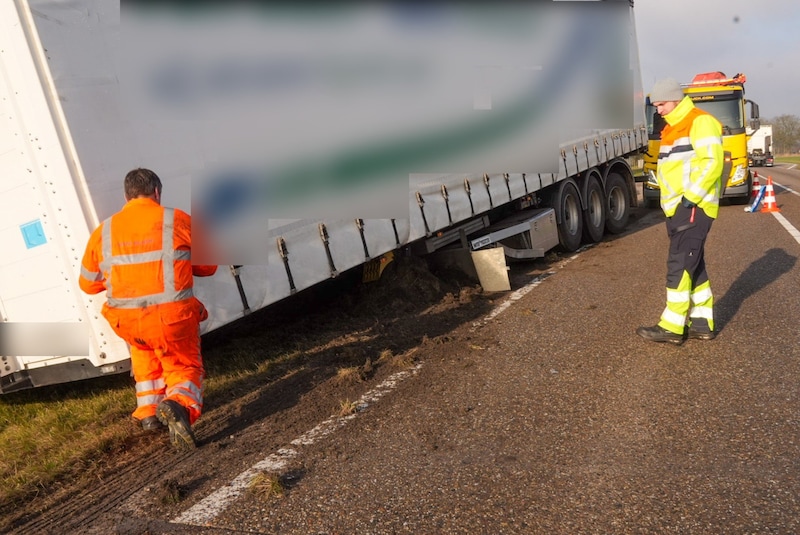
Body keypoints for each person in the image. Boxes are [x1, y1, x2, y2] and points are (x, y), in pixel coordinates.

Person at [79, 168, 217, 450]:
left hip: (127, 322)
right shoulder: (176, 219)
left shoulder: (103, 231)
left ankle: (149, 414)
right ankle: (179, 405)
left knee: (144, 352)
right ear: (156, 192)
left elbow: (88, 284)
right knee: (183, 365)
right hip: (171, 319)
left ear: (126, 196)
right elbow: (208, 266)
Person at [636, 78, 724, 345]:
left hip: (692, 206)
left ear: (675, 99)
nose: (659, 110)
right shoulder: (671, 128)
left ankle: (672, 327)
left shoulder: (700, 121)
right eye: (656, 105)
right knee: (693, 265)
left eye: (662, 104)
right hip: (678, 207)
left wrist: (691, 198)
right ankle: (701, 324)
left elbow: (713, 161)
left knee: (680, 264)